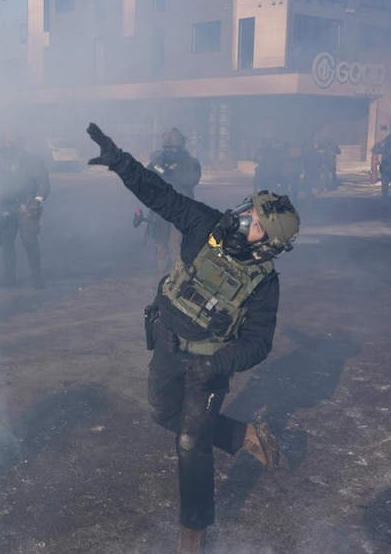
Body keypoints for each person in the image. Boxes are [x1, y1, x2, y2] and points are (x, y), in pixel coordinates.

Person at [85, 122, 299, 554]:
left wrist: (216, 366)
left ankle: (192, 534)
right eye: (247, 212)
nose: (243, 221)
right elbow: (160, 195)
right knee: (163, 414)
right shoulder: (207, 227)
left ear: (268, 245)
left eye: (255, 224)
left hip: (208, 364)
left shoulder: (264, 283)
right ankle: (243, 437)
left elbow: (259, 343)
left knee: (190, 443)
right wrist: (121, 162)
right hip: (166, 341)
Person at [0, 133, 51, 288]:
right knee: (6, 242)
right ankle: (8, 278)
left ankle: (37, 279)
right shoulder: (3, 162)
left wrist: (38, 200)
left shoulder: (32, 161)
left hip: (26, 205)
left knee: (29, 241)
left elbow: (43, 183)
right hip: (6, 206)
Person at [144, 128, 203, 278]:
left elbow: (192, 179)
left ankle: (179, 280)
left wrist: (171, 174)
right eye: (167, 148)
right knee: (161, 246)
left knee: (176, 246)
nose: (170, 151)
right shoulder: (158, 162)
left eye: (173, 148)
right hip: (161, 210)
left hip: (181, 211)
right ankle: (164, 279)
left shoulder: (191, 163)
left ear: (181, 147)